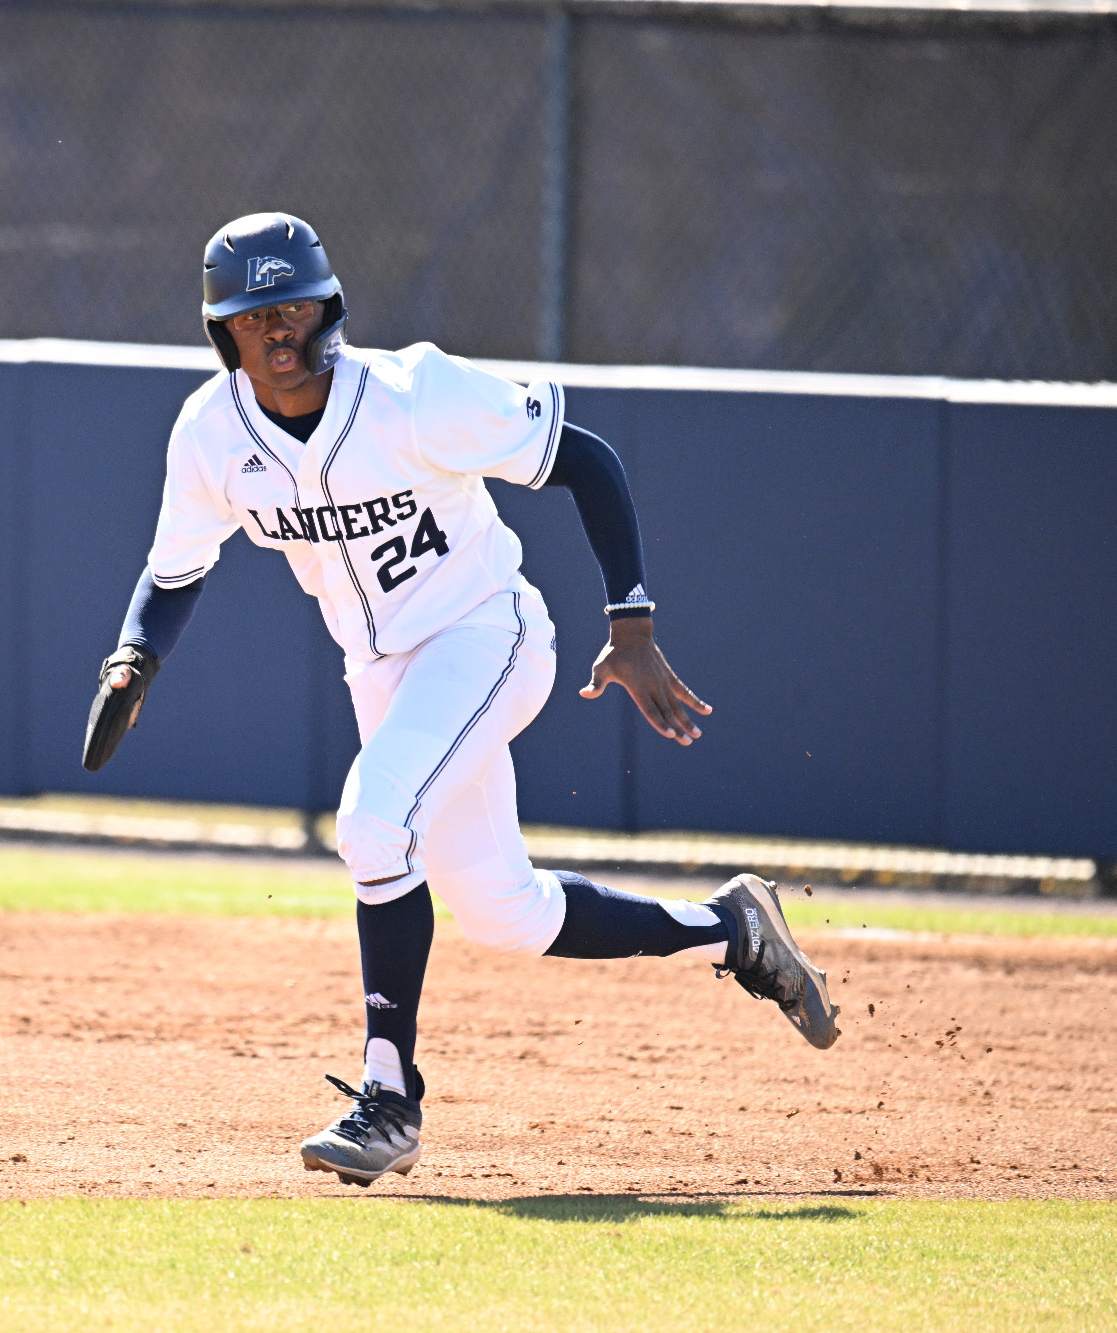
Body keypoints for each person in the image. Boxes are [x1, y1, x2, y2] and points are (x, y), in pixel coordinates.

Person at [83, 213, 838, 1189]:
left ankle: (387, 1097)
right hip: (382, 669)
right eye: (251, 313)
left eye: (294, 304)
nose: (277, 328)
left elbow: (583, 456)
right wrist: (134, 657)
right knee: (504, 912)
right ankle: (733, 929)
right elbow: (174, 570)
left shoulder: (409, 393)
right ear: (219, 329)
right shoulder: (208, 435)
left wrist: (632, 621)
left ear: (329, 307)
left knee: (370, 818)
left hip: (486, 634)